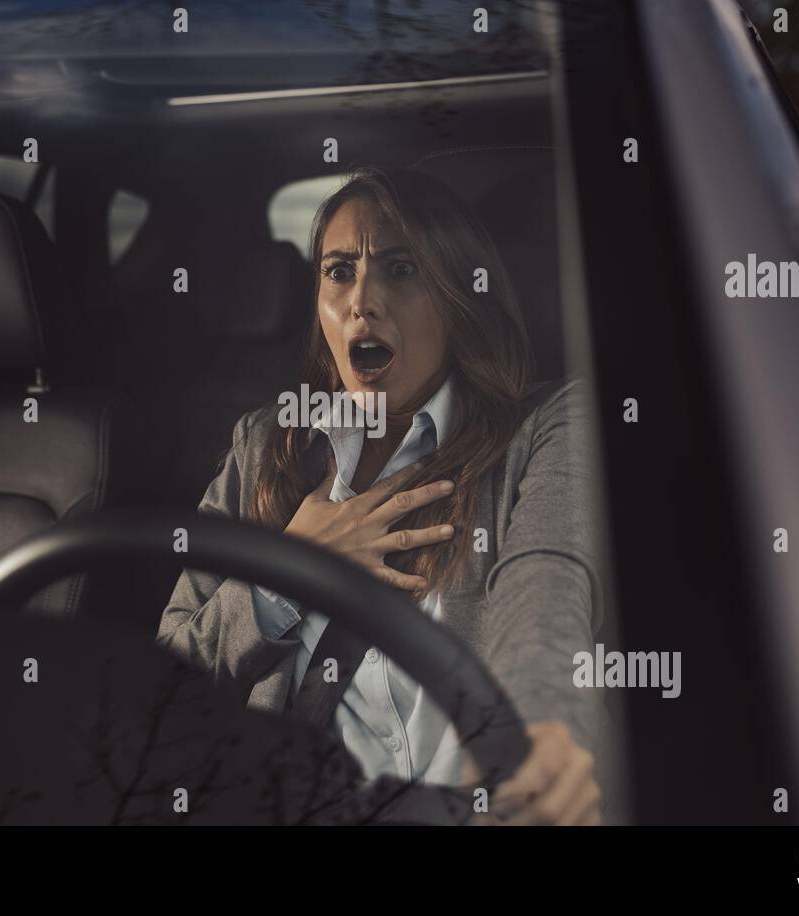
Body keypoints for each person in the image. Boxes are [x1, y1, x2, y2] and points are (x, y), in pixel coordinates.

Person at [157, 166, 609, 825]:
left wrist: (535, 749)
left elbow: (545, 604)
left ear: (459, 298)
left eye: (401, 269)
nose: (361, 300)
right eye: (339, 270)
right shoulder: (262, 448)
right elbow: (163, 688)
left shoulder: (548, 432)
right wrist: (289, 574)